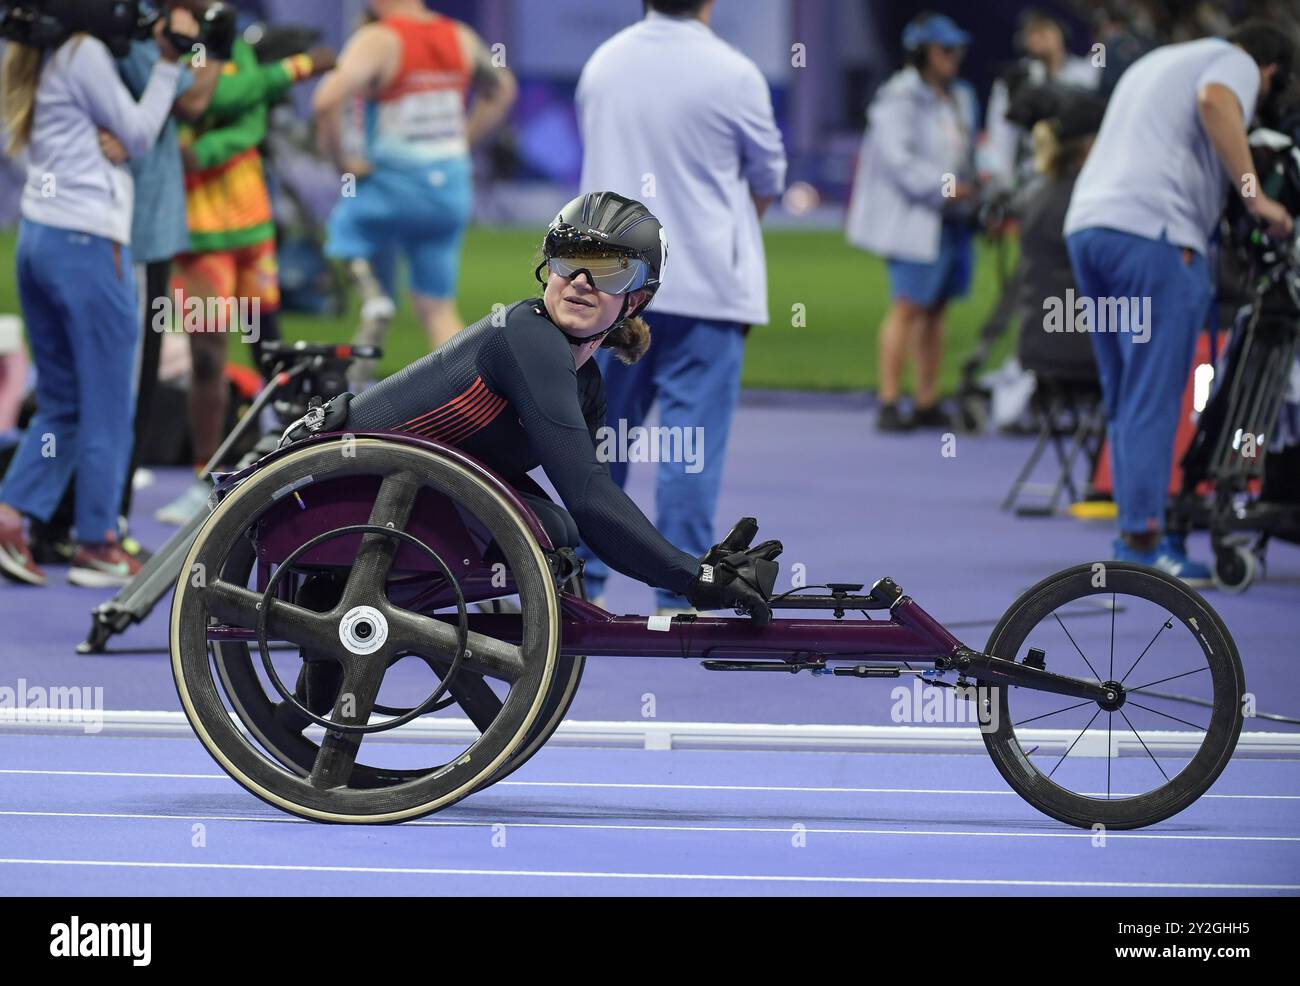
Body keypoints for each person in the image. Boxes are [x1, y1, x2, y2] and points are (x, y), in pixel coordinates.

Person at [297, 192, 782, 631]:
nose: (580, 281)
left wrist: (695, 569)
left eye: (609, 270)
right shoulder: (527, 337)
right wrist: (693, 577)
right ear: (547, 268)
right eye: (569, 260)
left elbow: (597, 512)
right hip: (326, 497)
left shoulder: (585, 382)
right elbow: (589, 498)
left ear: (639, 298)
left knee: (559, 530)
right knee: (550, 530)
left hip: (389, 493)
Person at [573, 0, 786, 614]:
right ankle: (680, 593)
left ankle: (580, 582)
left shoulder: (603, 63)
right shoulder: (734, 70)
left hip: (614, 283)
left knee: (601, 441)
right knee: (690, 445)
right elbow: (768, 179)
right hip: (707, 288)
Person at [1063, 19, 1295, 580]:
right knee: (1152, 394)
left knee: (1125, 397)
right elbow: (1217, 102)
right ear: (1268, 71)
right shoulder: (1232, 64)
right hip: (1155, 237)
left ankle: (1133, 537)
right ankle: (1143, 545)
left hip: (1090, 231)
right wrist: (1255, 195)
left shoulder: (1156, 62)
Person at [0, 11, 193, 587]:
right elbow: (137, 134)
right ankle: (98, 543)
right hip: (86, 245)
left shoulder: (40, 54)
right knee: (110, 402)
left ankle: (11, 517)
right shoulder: (82, 50)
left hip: (38, 240)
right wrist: (166, 64)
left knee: (63, 403)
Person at [154, 26, 335, 526]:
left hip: (251, 227)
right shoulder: (166, 48)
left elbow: (246, 116)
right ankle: (205, 477)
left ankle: (290, 467)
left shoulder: (230, 47)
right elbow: (188, 107)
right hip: (197, 235)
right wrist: (289, 71)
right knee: (207, 358)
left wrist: (210, 142)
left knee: (269, 350)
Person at [312, 0, 517, 378]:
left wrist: (341, 163)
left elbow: (325, 99)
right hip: (448, 190)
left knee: (345, 234)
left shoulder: (378, 39)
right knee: (438, 308)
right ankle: (468, 399)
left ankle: (375, 302)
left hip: (389, 186)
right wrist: (463, 142)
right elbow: (502, 89)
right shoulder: (459, 36)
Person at [846, 12, 979, 432]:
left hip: (951, 218)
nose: (954, 56)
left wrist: (975, 181)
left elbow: (967, 150)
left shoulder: (958, 96)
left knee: (937, 309)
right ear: (922, 54)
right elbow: (898, 162)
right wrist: (946, 187)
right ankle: (888, 400)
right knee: (907, 307)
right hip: (917, 216)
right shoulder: (897, 97)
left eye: (956, 48)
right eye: (945, 49)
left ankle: (926, 398)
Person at [984, 9, 1101, 191]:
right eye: (1033, 33)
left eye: (1045, 30)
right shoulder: (1014, 79)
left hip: (1081, 174)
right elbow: (1001, 134)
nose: (1039, 38)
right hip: (1033, 176)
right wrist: (1003, 186)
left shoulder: (1085, 74)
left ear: (1061, 34)